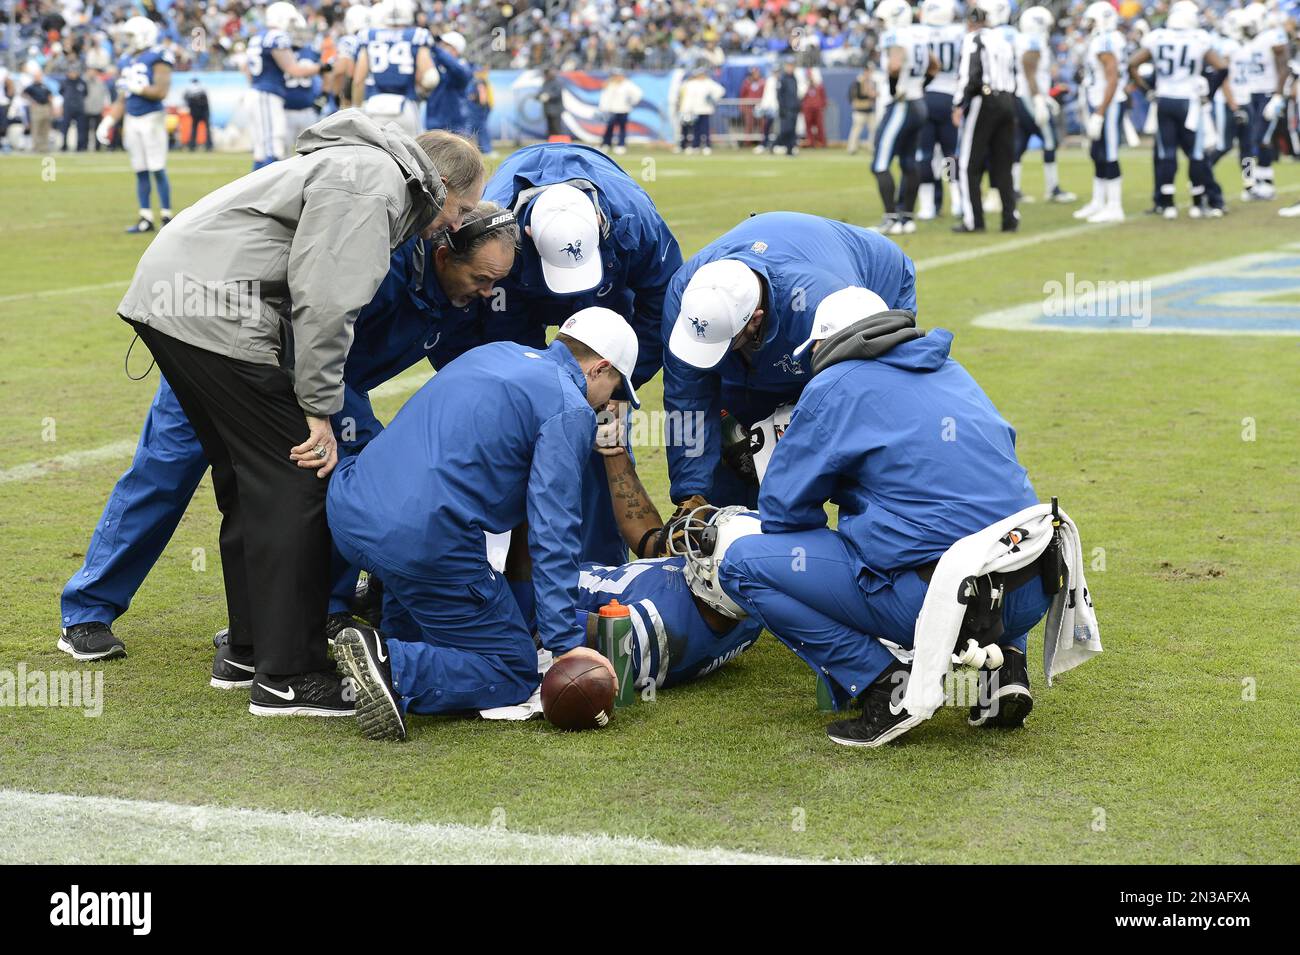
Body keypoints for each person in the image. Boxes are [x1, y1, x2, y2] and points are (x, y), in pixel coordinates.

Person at [106, 112, 483, 717]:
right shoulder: (375, 181)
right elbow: (326, 301)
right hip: (213, 308)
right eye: (461, 209)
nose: (456, 226)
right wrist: (317, 410)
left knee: (243, 476)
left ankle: (251, 651)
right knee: (298, 477)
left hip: (176, 298)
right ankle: (288, 674)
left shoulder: (363, 168)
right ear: (437, 181)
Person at [58, 199, 513, 667]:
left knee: (348, 471)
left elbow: (466, 375)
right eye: (482, 279)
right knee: (165, 475)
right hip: (231, 357)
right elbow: (311, 335)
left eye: (495, 282)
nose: (488, 292)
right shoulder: (381, 266)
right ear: (442, 256)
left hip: (313, 384)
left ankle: (322, 609)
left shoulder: (457, 299)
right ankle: (87, 610)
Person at [715, 287, 1052, 747]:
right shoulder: (953, 371)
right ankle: (1008, 663)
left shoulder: (832, 386)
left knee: (743, 563)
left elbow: (784, 514)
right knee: (984, 524)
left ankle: (884, 685)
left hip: (939, 600)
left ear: (821, 344)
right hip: (1031, 586)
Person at [330, 308, 640, 741]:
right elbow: (554, 530)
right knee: (511, 666)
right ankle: (390, 662)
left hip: (351, 507)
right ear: (601, 367)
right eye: (615, 387)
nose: (609, 401)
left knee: (434, 621)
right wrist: (566, 644)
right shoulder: (570, 407)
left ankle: (384, 644)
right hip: (418, 539)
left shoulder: (497, 353)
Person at [482, 142, 684, 565]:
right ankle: (523, 572)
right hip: (519, 293)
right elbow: (480, 331)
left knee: (602, 423)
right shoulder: (495, 228)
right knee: (524, 428)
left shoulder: (635, 220)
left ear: (598, 221)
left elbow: (663, 309)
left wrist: (622, 384)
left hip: (606, 291)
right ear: (529, 235)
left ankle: (602, 569)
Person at [660, 212, 917, 511]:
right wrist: (691, 495)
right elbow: (686, 401)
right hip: (779, 308)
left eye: (726, 342)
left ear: (755, 320)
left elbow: (852, 400)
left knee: (839, 439)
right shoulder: (685, 299)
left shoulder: (825, 305)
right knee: (735, 447)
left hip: (873, 285)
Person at [1127, 1, 1236, 219]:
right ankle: (1201, 202)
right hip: (1192, 102)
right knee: (1199, 153)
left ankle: (1167, 204)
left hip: (1167, 100)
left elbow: (1132, 64)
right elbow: (1222, 67)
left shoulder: (1158, 37)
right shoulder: (1201, 39)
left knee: (1167, 153)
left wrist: (1147, 89)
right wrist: (1209, 93)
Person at [952, 0, 1020, 234]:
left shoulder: (974, 39)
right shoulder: (1003, 40)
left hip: (984, 100)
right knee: (1003, 164)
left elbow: (969, 74)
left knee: (965, 164)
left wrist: (959, 103)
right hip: (1008, 100)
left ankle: (973, 219)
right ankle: (1009, 218)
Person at [871, 0, 937, 234]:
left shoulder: (895, 35)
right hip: (918, 101)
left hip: (902, 103)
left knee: (880, 163)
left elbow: (895, 64)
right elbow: (934, 65)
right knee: (909, 162)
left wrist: (894, 85)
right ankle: (907, 218)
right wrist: (919, 84)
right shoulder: (918, 35)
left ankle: (891, 218)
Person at [244, 2, 323, 169]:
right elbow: (293, 69)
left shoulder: (259, 36)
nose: (292, 26)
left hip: (258, 92)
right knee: (273, 148)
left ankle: (258, 192)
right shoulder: (276, 36)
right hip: (267, 94)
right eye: (290, 21)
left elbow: (247, 69)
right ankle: (268, 193)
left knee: (262, 149)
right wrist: (322, 68)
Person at [1072, 1, 1127, 223]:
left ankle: (1114, 205)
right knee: (1097, 152)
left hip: (1108, 104)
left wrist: (1100, 112)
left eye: (1092, 20)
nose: (1088, 24)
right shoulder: (1104, 39)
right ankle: (1099, 200)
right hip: (1099, 102)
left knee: (1109, 152)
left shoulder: (1105, 40)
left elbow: (1112, 77)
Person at [1013, 6, 1074, 204]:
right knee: (1050, 141)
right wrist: (1039, 99)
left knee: (1019, 143)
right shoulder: (1032, 40)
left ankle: (1012, 189)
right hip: (1029, 97)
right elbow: (1029, 71)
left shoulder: (1022, 38)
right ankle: (1052, 188)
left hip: (1022, 95)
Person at [352, 0, 439, 137]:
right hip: (405, 106)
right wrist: (422, 92)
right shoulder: (417, 35)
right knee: (410, 156)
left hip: (374, 107)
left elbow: (358, 80)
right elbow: (430, 78)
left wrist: (356, 106)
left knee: (373, 154)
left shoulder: (368, 35)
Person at [915, 0, 963, 218]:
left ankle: (927, 206)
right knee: (950, 155)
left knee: (924, 154)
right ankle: (957, 200)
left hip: (923, 95)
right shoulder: (958, 33)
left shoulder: (918, 33)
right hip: (950, 96)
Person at [1238, 2, 1289, 201]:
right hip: (1248, 94)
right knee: (1247, 143)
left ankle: (1265, 182)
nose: (1247, 29)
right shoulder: (1244, 42)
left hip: (1267, 93)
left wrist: (1277, 95)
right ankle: (1251, 183)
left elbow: (1284, 66)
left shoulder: (1272, 37)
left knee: (1261, 139)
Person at [421, 30, 473, 133]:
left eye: (446, 45)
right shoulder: (435, 64)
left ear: (455, 49)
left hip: (456, 126)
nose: (440, 46)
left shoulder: (463, 66)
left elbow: (458, 70)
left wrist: (435, 48)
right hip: (434, 124)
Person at [598, 67, 642, 154]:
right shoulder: (610, 84)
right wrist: (603, 108)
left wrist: (631, 103)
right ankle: (606, 144)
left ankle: (621, 145)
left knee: (622, 129)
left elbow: (638, 94)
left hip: (623, 110)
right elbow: (605, 97)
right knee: (609, 128)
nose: (616, 77)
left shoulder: (627, 84)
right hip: (611, 110)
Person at [22, 64, 55, 154]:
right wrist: (32, 101)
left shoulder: (44, 86)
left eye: (40, 76)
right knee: (36, 128)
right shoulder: (31, 87)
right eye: (37, 76)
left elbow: (50, 96)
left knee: (45, 128)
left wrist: (51, 107)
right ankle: (35, 147)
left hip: (45, 107)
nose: (38, 78)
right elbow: (23, 94)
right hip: (36, 108)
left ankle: (43, 147)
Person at [845, 64, 876, 155]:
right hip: (859, 109)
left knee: (873, 129)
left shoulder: (872, 82)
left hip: (869, 108)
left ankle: (872, 147)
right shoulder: (858, 81)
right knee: (856, 129)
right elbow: (854, 94)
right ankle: (852, 148)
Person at [60, 62, 89, 151]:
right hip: (68, 108)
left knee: (81, 129)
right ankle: (64, 145)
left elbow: (85, 93)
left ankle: (80, 146)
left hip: (79, 108)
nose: (72, 74)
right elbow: (61, 92)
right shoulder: (65, 82)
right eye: (71, 72)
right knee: (65, 128)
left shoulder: (82, 82)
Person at [774, 60, 800, 155]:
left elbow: (795, 94)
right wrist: (782, 107)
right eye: (789, 66)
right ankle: (774, 144)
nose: (790, 68)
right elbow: (779, 95)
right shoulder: (782, 79)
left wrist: (797, 105)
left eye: (792, 66)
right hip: (786, 108)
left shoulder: (794, 78)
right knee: (786, 130)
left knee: (792, 130)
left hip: (794, 108)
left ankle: (790, 149)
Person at [182, 77, 211, 151]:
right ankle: (208, 146)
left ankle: (192, 146)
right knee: (206, 129)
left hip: (196, 112)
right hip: (203, 111)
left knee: (194, 129)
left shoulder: (189, 89)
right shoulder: (202, 88)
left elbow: (185, 100)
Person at [800, 69, 827, 148]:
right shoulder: (804, 86)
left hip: (817, 108)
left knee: (820, 125)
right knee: (808, 126)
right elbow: (801, 96)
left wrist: (822, 106)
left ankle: (821, 142)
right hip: (807, 108)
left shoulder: (819, 86)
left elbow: (823, 97)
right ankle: (810, 141)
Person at [539, 67, 565, 138]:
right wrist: (539, 96)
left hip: (555, 110)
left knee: (556, 129)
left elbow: (557, 93)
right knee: (549, 130)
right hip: (547, 110)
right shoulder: (545, 83)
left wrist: (549, 96)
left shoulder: (557, 82)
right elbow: (539, 93)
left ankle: (558, 145)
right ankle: (550, 145)